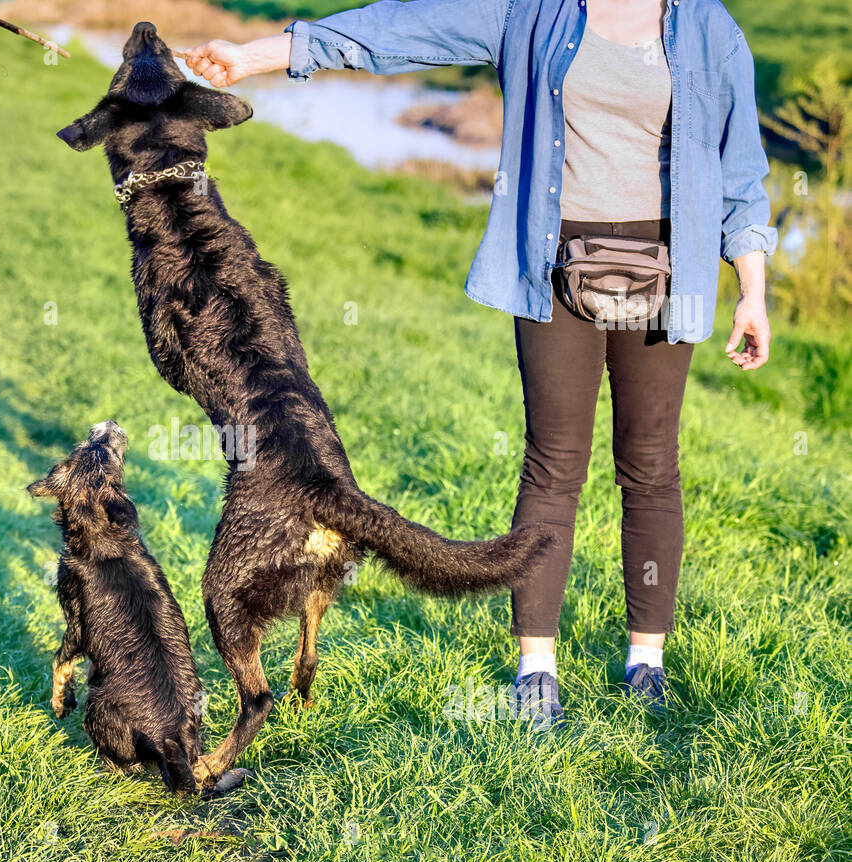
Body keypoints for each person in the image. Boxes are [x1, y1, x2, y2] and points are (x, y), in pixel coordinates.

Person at [181, 0, 777, 722]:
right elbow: (403, 32)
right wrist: (254, 56)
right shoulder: (534, 12)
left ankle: (646, 663)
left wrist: (753, 291)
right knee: (554, 464)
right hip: (552, 266)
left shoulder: (708, 29)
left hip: (668, 272)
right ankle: (537, 673)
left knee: (650, 465)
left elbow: (740, 167)